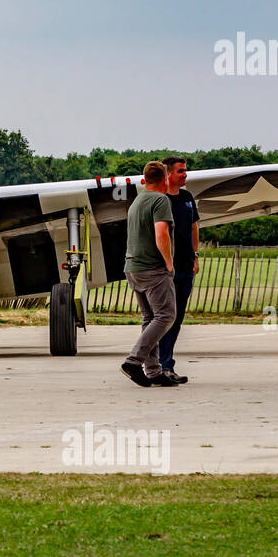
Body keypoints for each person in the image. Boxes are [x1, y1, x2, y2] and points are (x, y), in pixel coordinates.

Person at [121, 161, 178, 387]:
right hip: (152, 269)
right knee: (166, 316)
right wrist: (169, 263)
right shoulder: (160, 200)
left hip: (133, 267)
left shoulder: (138, 200)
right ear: (164, 179)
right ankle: (133, 361)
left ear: (145, 179)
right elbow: (161, 233)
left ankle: (153, 372)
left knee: (150, 318)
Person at [158, 156, 200, 384]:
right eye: (181, 171)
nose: (185, 175)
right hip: (166, 269)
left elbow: (194, 226)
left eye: (185, 171)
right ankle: (160, 365)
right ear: (169, 174)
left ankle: (167, 363)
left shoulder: (187, 198)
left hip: (185, 266)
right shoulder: (159, 199)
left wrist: (195, 255)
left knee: (177, 318)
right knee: (164, 317)